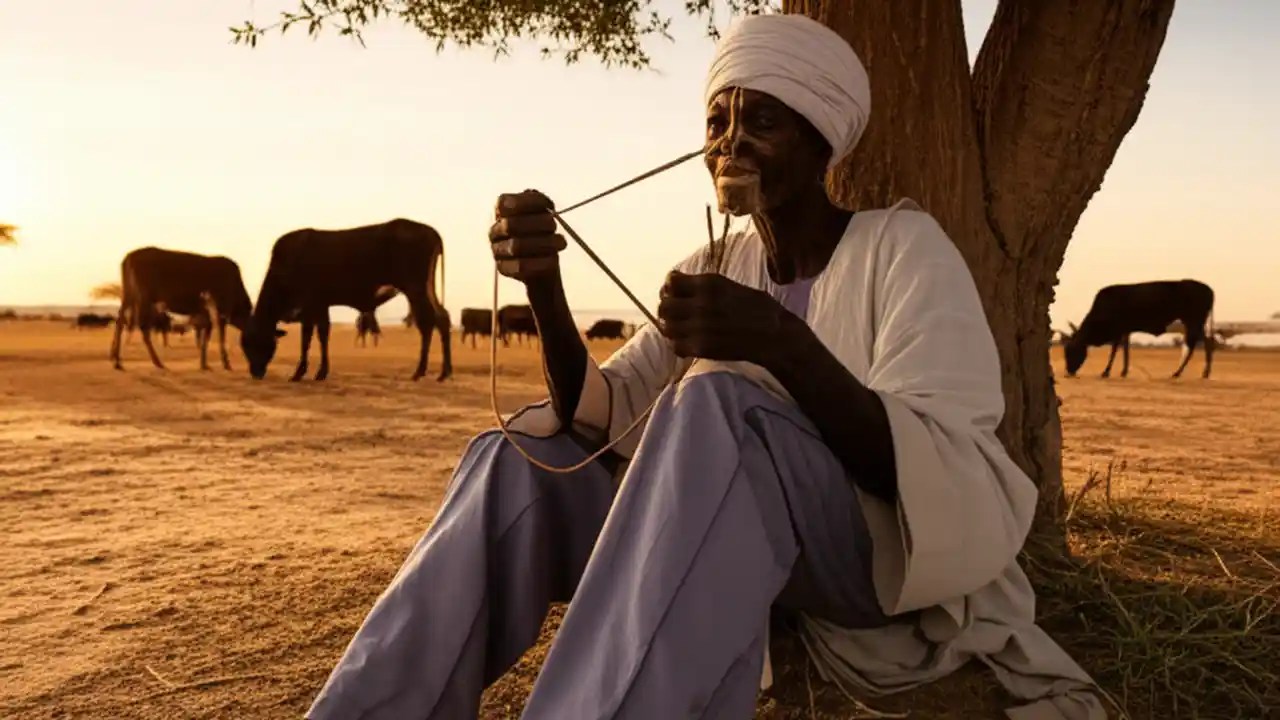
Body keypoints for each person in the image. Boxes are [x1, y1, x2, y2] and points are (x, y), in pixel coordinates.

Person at [306, 13, 1104, 720]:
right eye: (718, 120)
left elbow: (928, 467)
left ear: (821, 138)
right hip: (714, 534)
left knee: (721, 399)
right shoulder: (718, 262)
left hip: (866, 561)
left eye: (762, 121)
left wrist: (777, 346)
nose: (730, 141)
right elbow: (602, 412)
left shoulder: (902, 249)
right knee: (513, 463)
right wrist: (546, 290)